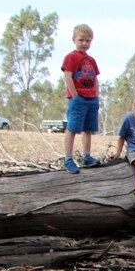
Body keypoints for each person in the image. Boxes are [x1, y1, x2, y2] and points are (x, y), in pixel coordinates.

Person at [61, 24, 102, 174]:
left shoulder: (91, 60)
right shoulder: (71, 57)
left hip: (91, 99)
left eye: (88, 41)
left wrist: (96, 96)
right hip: (78, 98)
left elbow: (95, 79)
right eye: (81, 40)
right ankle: (68, 159)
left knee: (88, 129)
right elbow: (68, 76)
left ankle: (86, 156)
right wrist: (75, 95)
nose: (85, 43)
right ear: (74, 40)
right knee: (72, 128)